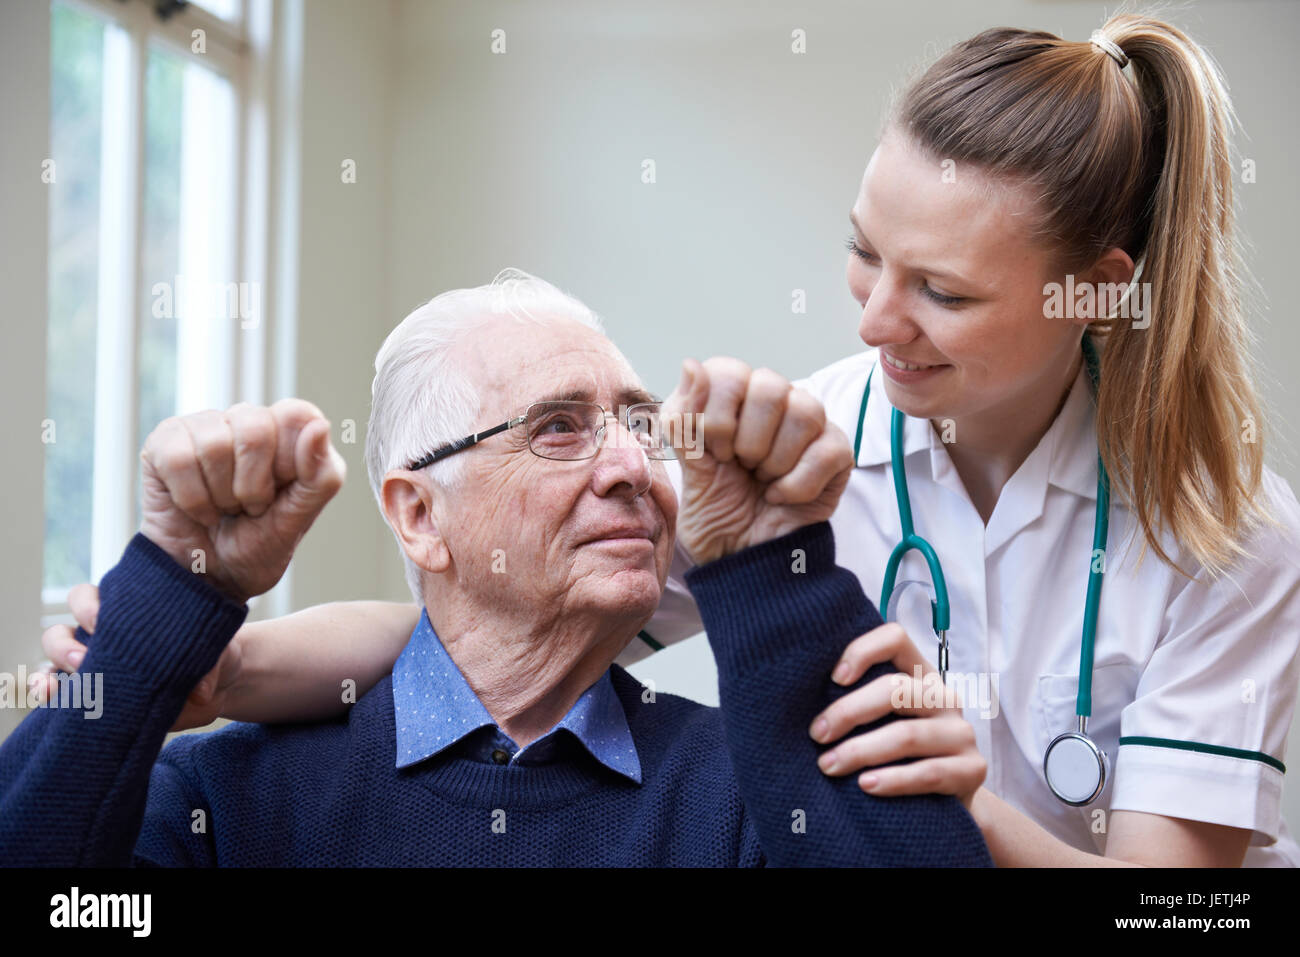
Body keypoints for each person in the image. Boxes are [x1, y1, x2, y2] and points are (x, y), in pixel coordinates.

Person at [35, 12, 1300, 866]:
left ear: (1097, 288)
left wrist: (963, 798)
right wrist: (206, 663)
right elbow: (488, 623)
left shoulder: (1228, 536)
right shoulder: (801, 452)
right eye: (862, 252)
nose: (872, 320)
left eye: (943, 294)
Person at [1, 273, 993, 867]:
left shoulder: (743, 790)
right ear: (420, 516)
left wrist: (776, 567)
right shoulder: (225, 800)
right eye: (558, 429)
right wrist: (174, 588)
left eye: (641, 427)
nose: (631, 467)